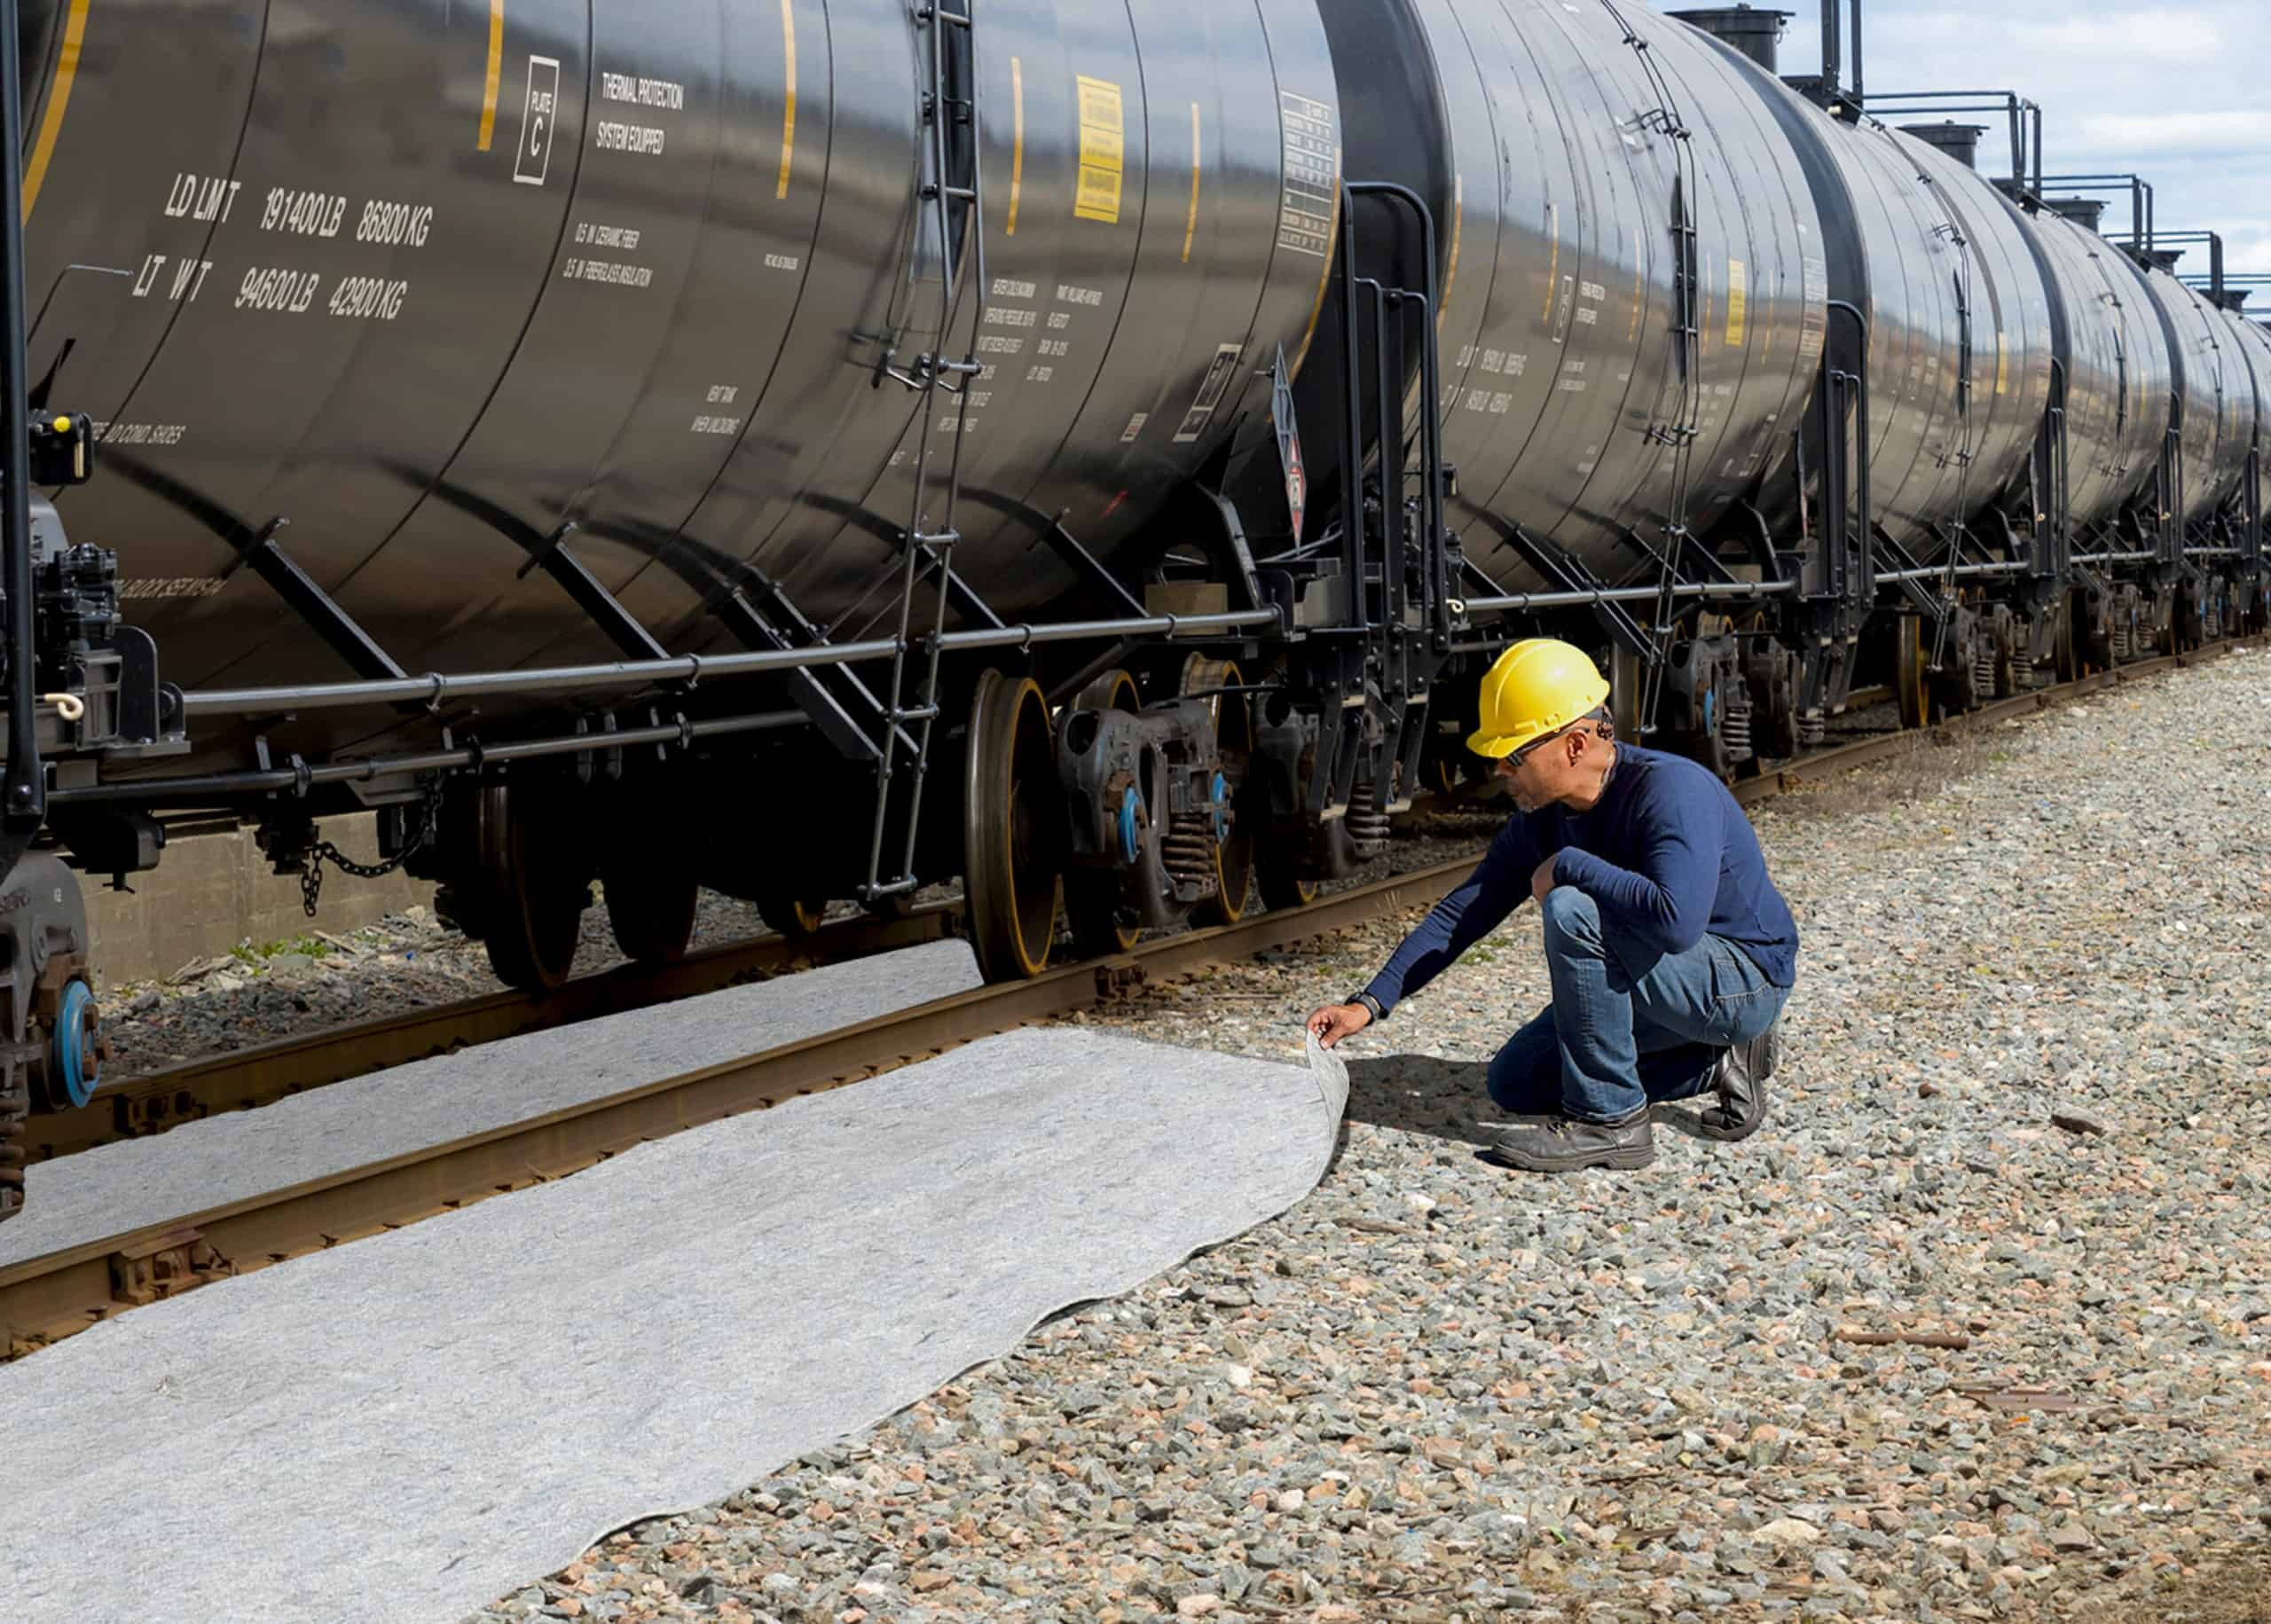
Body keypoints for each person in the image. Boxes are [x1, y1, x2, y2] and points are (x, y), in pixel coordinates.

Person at [1305, 638, 1799, 1173]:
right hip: (1665, 982)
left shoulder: (1671, 791)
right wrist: (1369, 1003)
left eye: (1512, 754)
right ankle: (1717, 1059)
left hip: (1743, 979)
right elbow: (1464, 912)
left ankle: (1612, 1122)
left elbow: (1677, 924)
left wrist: (1571, 865)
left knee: (1571, 908)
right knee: (1516, 1082)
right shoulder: (1545, 817)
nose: (1498, 769)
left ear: (1574, 744)